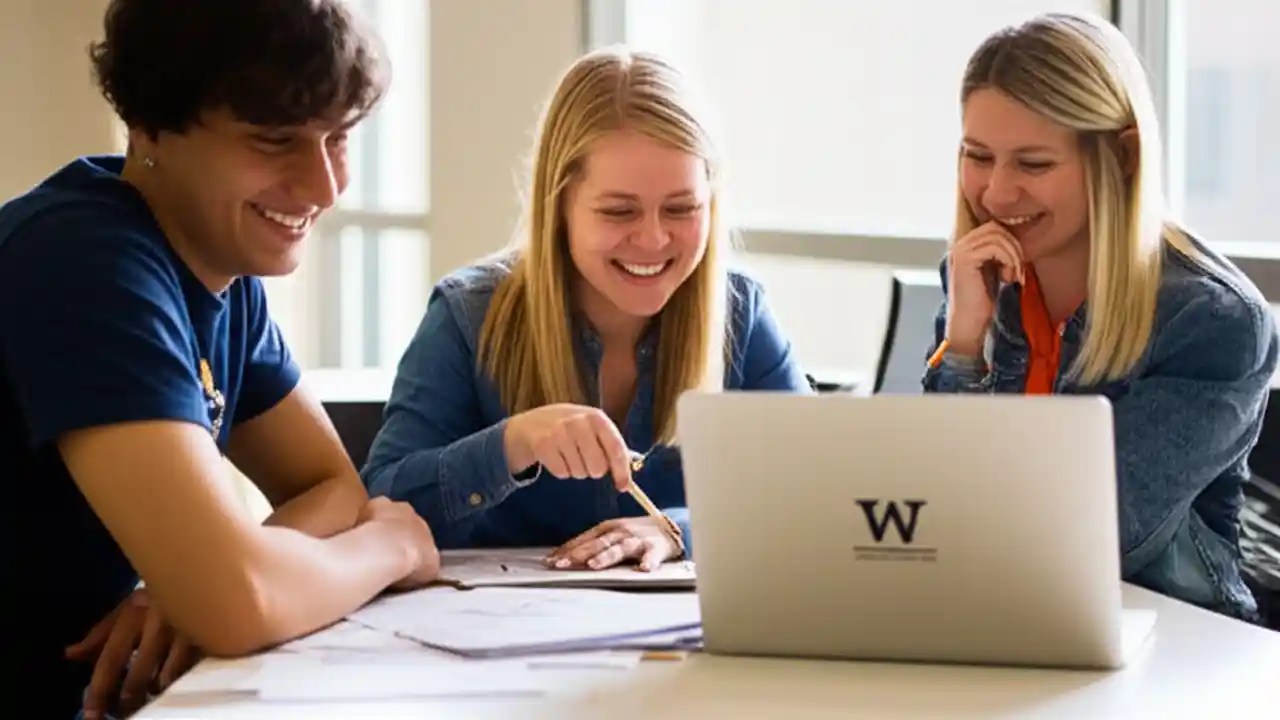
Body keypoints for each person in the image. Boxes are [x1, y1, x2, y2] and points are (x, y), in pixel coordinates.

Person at [0, 2, 441, 717]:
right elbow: (244, 602)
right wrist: (393, 547)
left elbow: (333, 489)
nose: (325, 187)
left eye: (339, 137)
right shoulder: (84, 261)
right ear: (149, 126)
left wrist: (192, 585)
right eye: (275, 141)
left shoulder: (216, 274)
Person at [362, 46, 811, 573]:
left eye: (682, 208)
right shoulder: (469, 314)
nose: (653, 238)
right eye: (619, 211)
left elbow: (813, 498)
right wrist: (513, 444)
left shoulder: (741, 314)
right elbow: (381, 504)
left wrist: (679, 528)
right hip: (502, 639)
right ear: (560, 207)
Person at [923, 11, 1278, 621]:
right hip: (996, 620)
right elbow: (922, 511)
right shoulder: (979, 282)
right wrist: (962, 346)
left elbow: (1094, 535)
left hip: (1169, 644)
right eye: (978, 155)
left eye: (1033, 164)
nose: (997, 194)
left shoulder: (1213, 322)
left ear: (1123, 157)